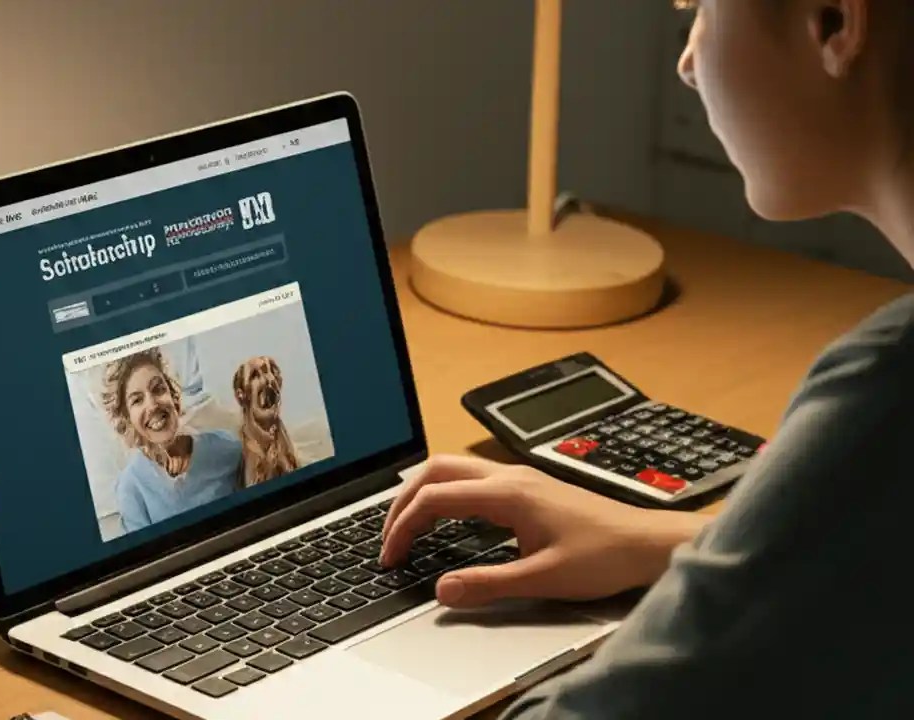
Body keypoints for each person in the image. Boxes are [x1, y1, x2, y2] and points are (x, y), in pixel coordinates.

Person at [380, 1, 914, 717]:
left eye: (700, 9)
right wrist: (673, 540)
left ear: (832, 21)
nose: (688, 62)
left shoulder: (887, 395)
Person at [102, 347, 242, 534]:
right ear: (127, 419)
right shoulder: (131, 487)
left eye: (158, 389)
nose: (152, 405)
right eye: (137, 400)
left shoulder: (224, 448)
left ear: (174, 397)